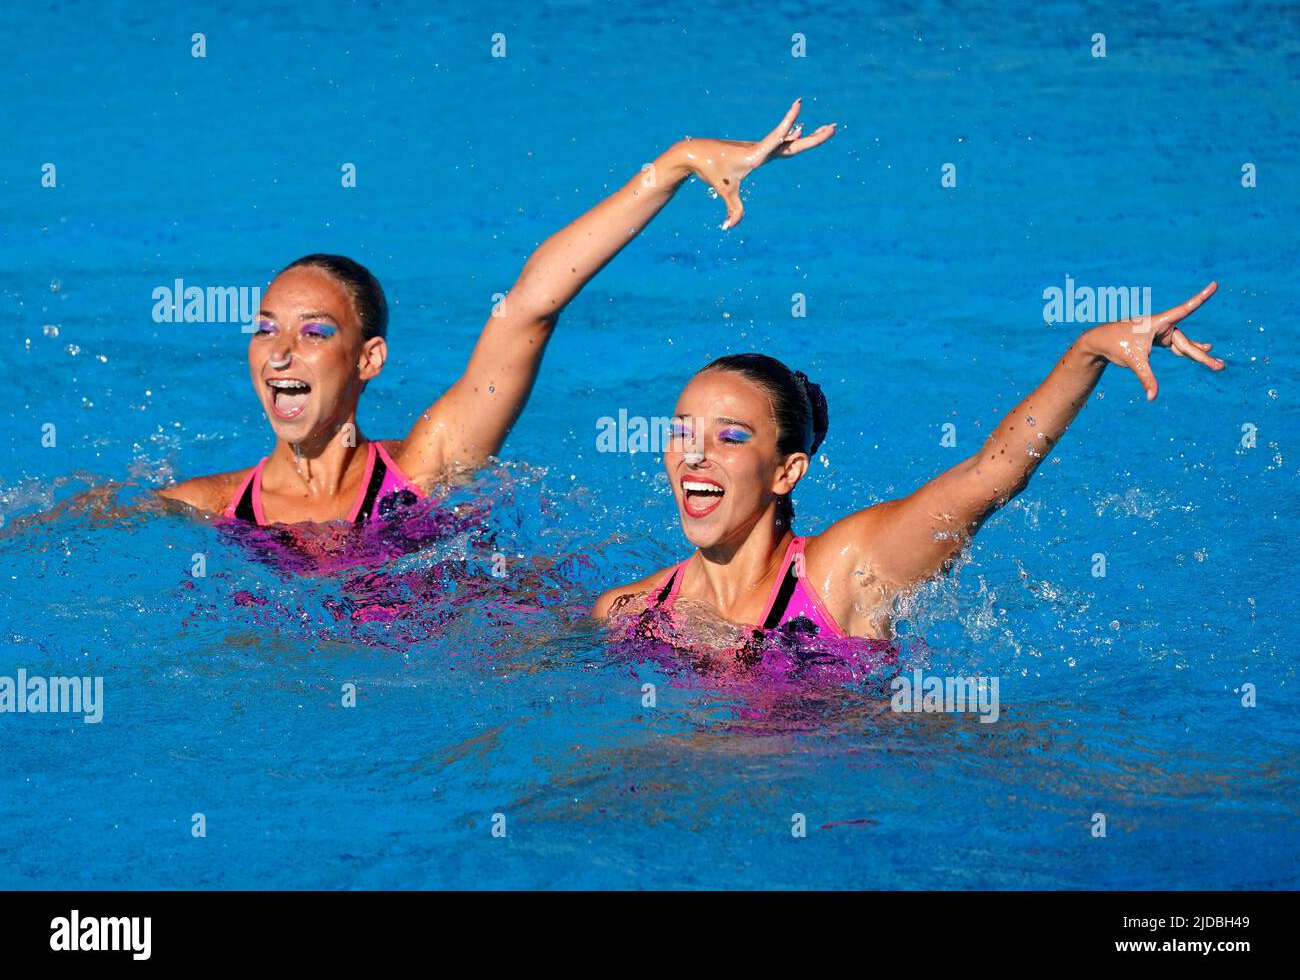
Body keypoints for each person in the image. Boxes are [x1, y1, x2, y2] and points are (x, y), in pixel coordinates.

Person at [159, 100, 836, 526]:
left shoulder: (424, 469)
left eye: (314, 333)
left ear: (370, 359)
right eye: (265, 329)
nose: (280, 352)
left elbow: (529, 311)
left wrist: (677, 163)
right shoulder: (205, 510)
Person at [593, 283, 1224, 665]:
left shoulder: (846, 571)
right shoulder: (629, 611)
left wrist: (1087, 352)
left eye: (729, 436)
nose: (693, 454)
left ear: (787, 471)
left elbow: (989, 475)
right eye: (681, 431)